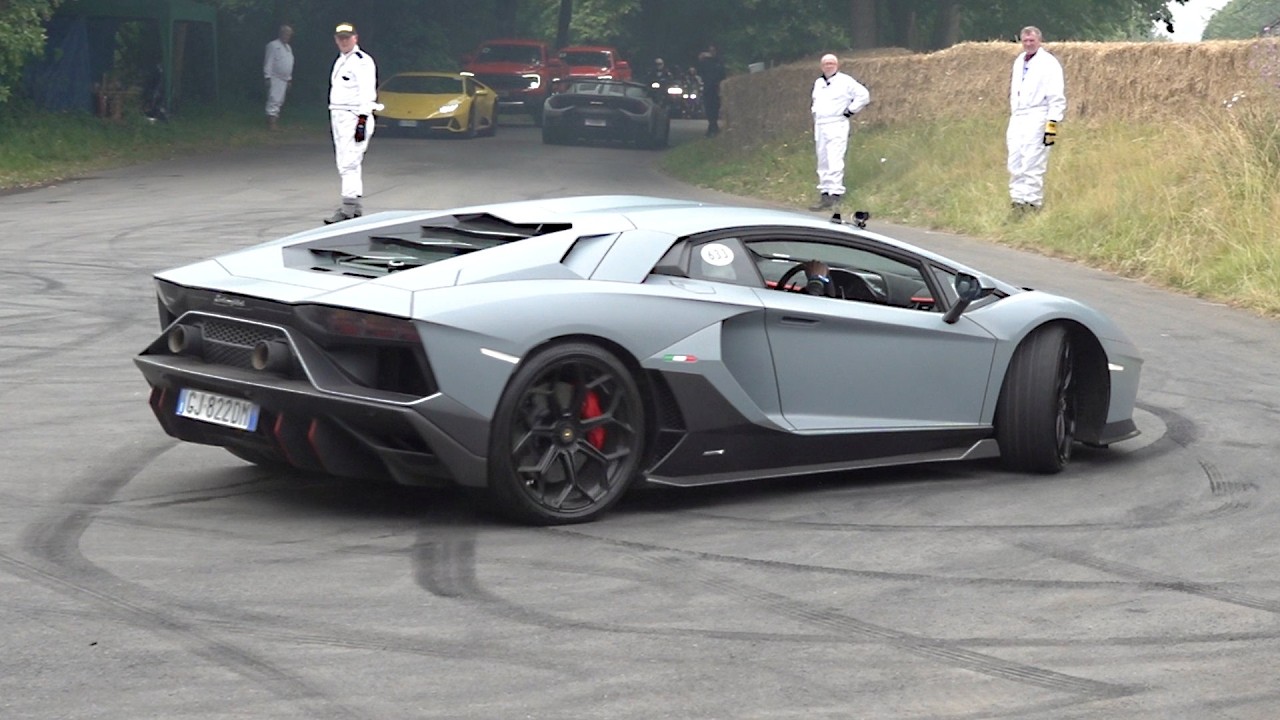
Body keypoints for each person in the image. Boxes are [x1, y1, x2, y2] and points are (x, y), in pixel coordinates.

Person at [325, 22, 383, 225]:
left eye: (347, 37)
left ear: (355, 38)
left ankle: (347, 208)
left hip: (354, 115)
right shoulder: (341, 60)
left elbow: (368, 93)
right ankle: (355, 206)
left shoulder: (362, 61)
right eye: (340, 38)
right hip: (340, 115)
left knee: (349, 162)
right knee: (344, 161)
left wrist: (362, 121)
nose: (343, 41)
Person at [1007, 26, 1066, 213]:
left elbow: (1057, 96)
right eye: (1025, 41)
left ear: (1039, 40)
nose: (1028, 44)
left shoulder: (1049, 63)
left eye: (1031, 40)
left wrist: (1052, 124)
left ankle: (1032, 203)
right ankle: (1017, 201)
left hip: (1038, 113)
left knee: (1033, 160)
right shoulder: (1019, 62)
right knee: (1015, 159)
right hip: (1018, 115)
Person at [808, 53, 870, 211]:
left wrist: (850, 111)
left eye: (832, 63)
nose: (829, 66)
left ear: (837, 65)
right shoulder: (819, 82)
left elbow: (863, 95)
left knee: (834, 158)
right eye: (826, 63)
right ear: (821, 66)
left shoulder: (845, 81)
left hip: (836, 123)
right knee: (822, 160)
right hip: (821, 124)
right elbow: (816, 102)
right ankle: (824, 193)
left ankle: (835, 194)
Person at [263, 24, 294, 130]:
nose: (287, 36)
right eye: (286, 34)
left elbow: (289, 63)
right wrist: (267, 76)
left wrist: (289, 78)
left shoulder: (288, 47)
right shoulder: (273, 45)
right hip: (275, 77)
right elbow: (269, 61)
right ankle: (271, 122)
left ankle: (274, 120)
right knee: (274, 99)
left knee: (280, 100)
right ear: (281, 33)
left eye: (289, 35)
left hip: (284, 78)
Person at [696, 43, 726, 136]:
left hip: (716, 87)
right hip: (708, 87)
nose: (712, 53)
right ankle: (712, 126)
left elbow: (722, 74)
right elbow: (700, 71)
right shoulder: (706, 62)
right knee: (709, 107)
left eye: (713, 51)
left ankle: (713, 126)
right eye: (710, 51)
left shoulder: (718, 62)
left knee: (715, 107)